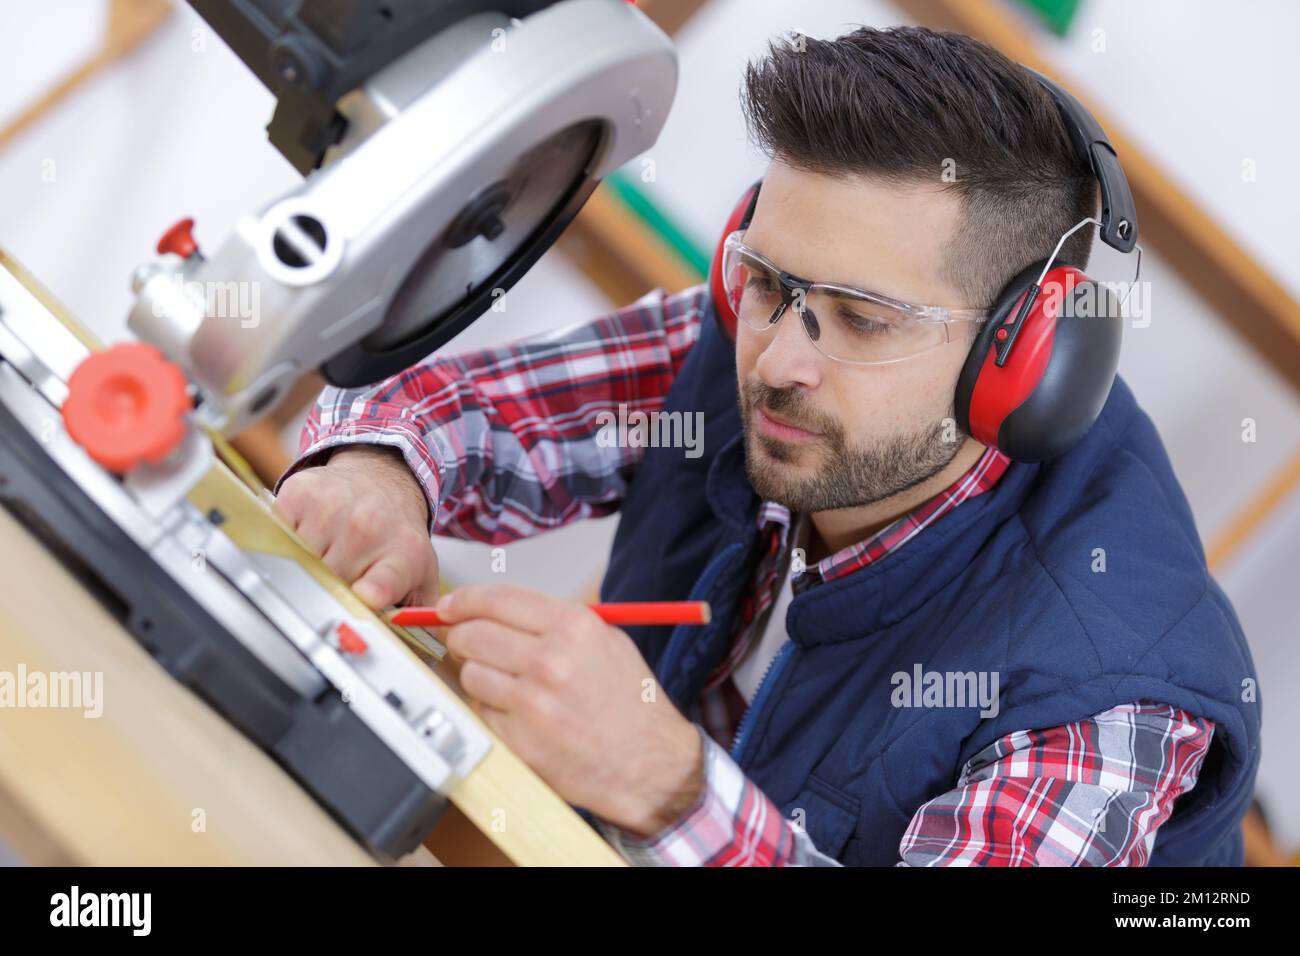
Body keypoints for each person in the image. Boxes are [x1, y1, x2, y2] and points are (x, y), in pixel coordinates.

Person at [273, 25, 1260, 866]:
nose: (780, 358)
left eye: (862, 319)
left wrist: (668, 794)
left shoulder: (1110, 696)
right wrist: (380, 469)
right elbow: (462, 414)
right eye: (764, 281)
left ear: (1023, 360)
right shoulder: (761, 346)